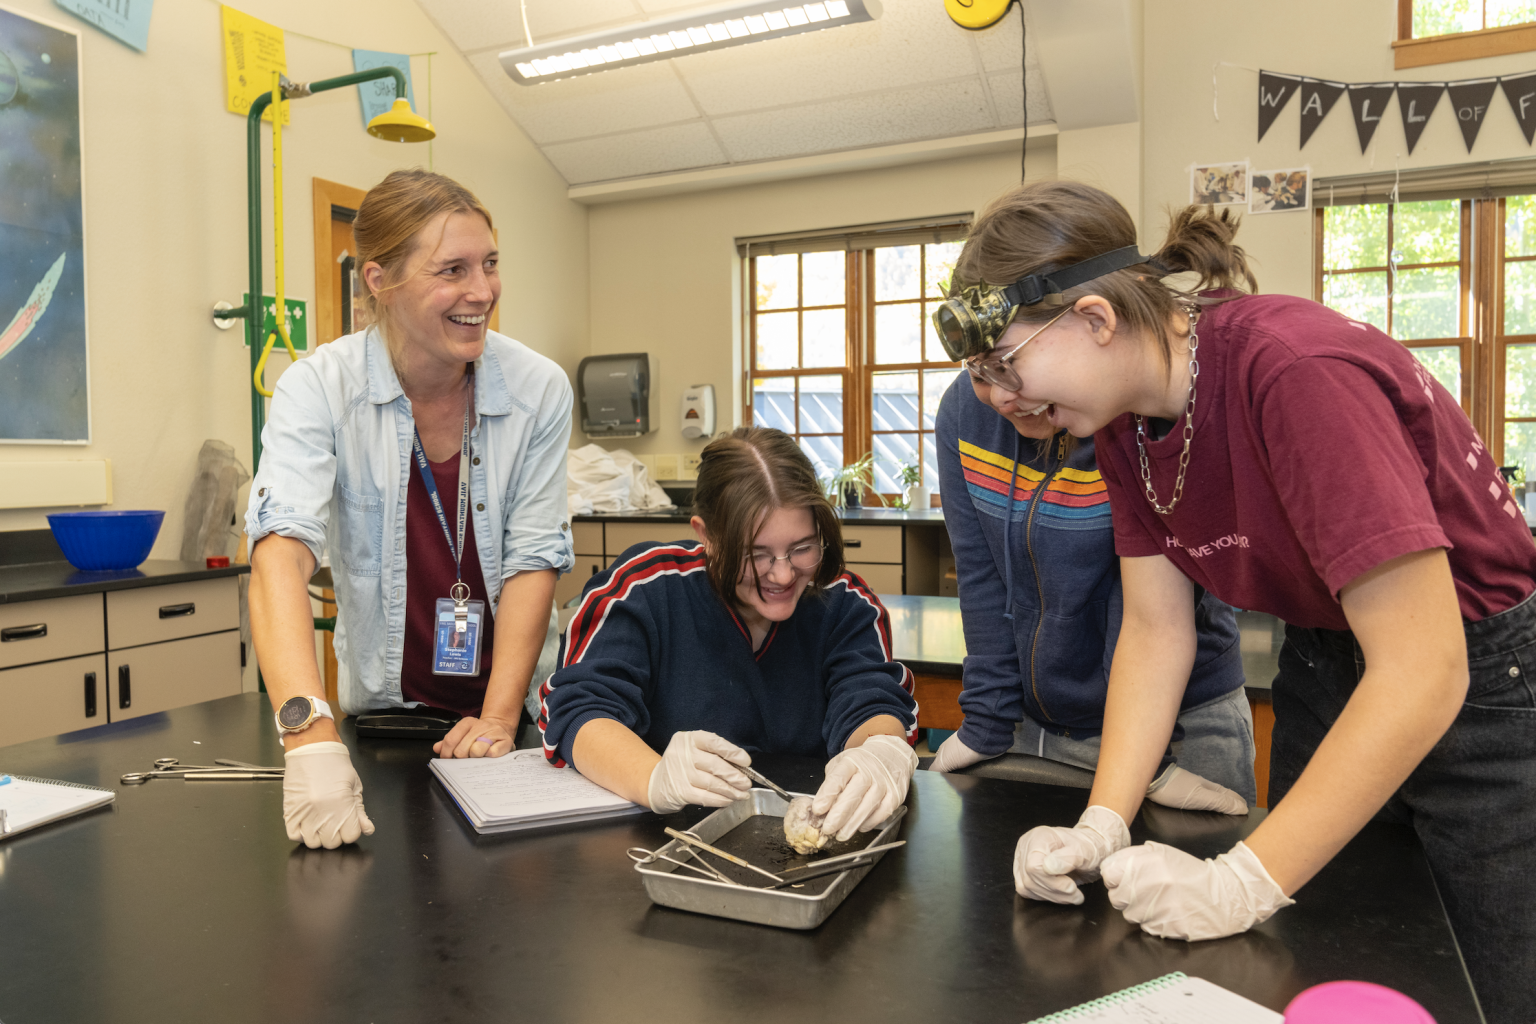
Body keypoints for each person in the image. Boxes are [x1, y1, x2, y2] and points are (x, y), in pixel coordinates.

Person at [935, 180, 1536, 1023]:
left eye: (1004, 364)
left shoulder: (1293, 373)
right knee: (1327, 963)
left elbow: (1425, 669)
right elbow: (1154, 630)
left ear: (1097, 319)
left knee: (1487, 982)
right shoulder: (1118, 423)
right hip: (1330, 659)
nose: (998, 399)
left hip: (1486, 682)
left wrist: (1242, 879)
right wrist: (1102, 821)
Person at [246, 169, 573, 850]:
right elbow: (281, 553)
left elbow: (533, 559)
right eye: (452, 269)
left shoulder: (538, 388)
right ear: (379, 281)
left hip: (515, 721)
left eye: (488, 264)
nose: (481, 291)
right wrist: (308, 738)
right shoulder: (319, 389)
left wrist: (499, 717)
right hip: (387, 724)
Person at [538, 427, 919, 839]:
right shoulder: (645, 589)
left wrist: (880, 751)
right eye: (755, 554)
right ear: (708, 536)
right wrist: (654, 778)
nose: (783, 573)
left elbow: (868, 698)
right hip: (657, 842)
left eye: (802, 547)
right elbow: (579, 710)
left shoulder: (843, 604)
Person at [929, 358, 1255, 814]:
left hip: (1178, 721)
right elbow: (979, 573)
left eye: (1008, 365)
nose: (998, 395)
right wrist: (988, 716)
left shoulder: (1146, 417)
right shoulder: (964, 411)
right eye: (980, 373)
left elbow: (1143, 612)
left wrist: (1148, 757)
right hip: (1026, 721)